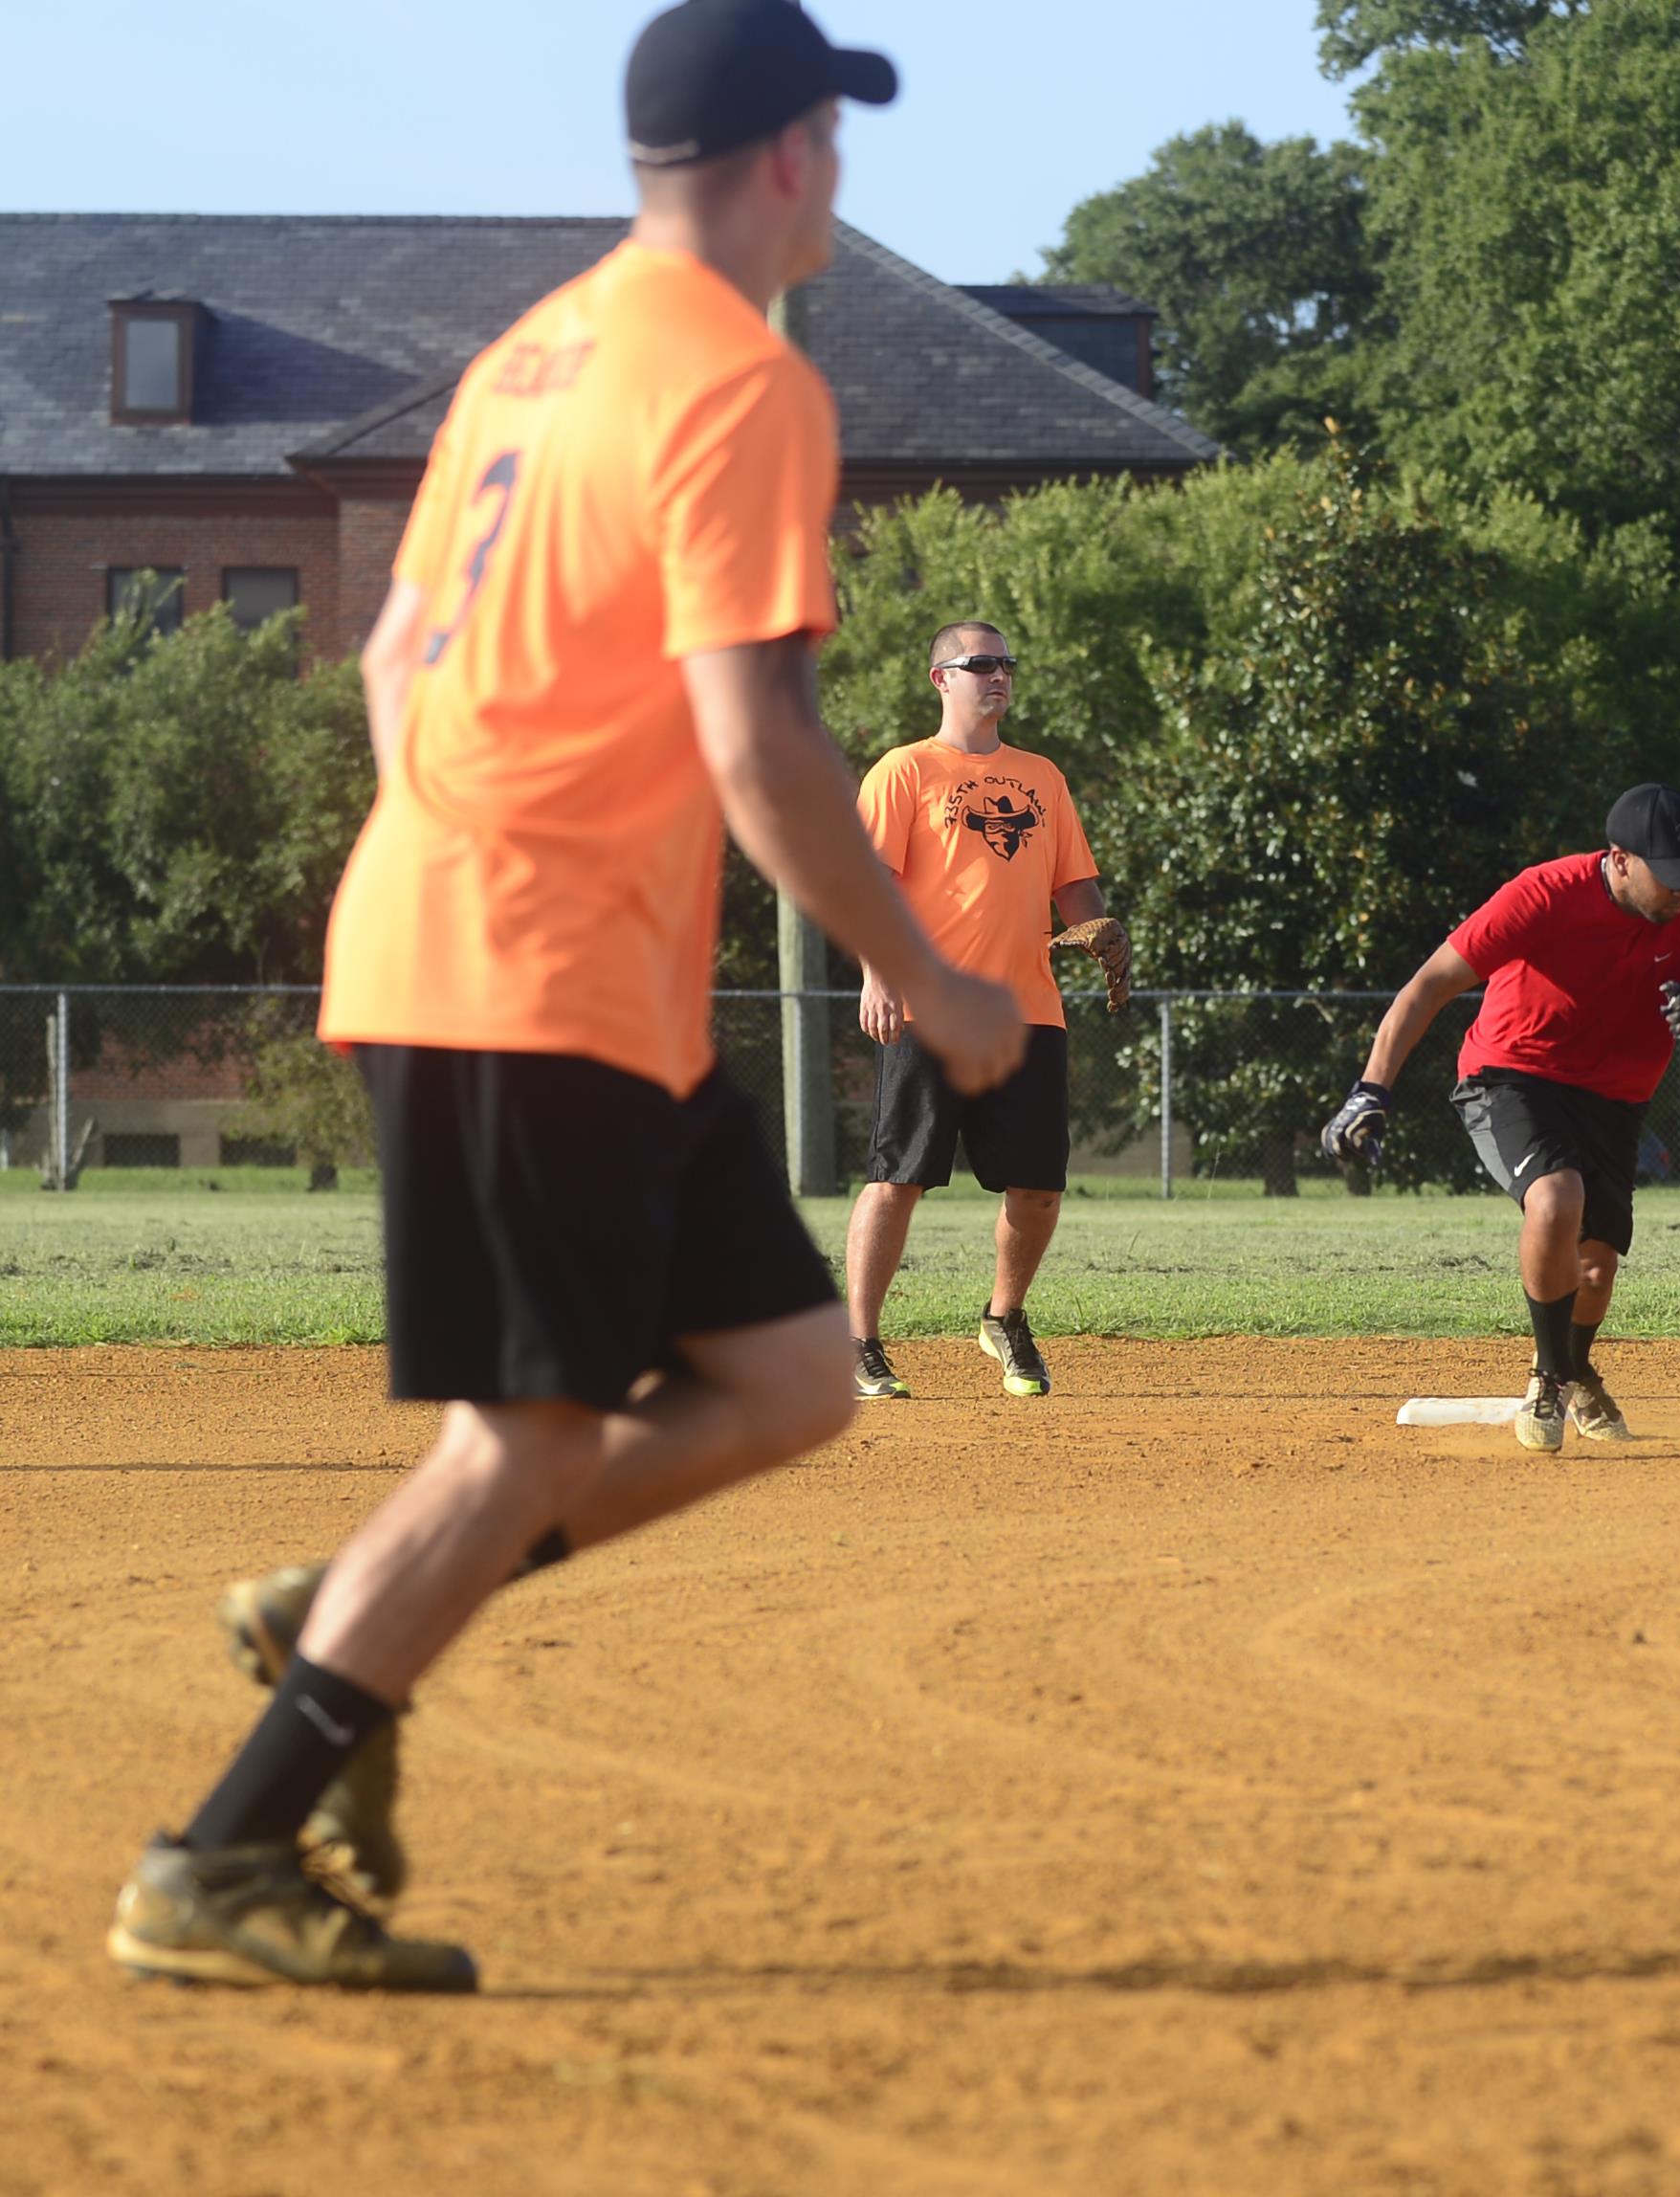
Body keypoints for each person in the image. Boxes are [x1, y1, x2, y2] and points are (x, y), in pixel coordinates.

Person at [106, 0, 1025, 1994]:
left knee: (784, 1379)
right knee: (519, 1439)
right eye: (833, 144)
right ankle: (222, 1854)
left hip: (532, 951)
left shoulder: (533, 354)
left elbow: (384, 659)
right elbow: (763, 740)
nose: (839, 180)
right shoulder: (741, 380)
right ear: (789, 158)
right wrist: (924, 972)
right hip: (527, 965)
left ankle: (354, 1610)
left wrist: (464, 836)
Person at [1323, 785, 1680, 1454]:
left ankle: (1577, 1369)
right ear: (1618, 859)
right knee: (1557, 1199)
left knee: (1596, 1270)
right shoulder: (1544, 894)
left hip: (1615, 1096)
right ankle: (1547, 1381)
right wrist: (1371, 1090)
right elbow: (1431, 983)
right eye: (1668, 878)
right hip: (1514, 1074)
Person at [843, 620, 1123, 1401]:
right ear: (941, 679)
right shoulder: (904, 772)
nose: (998, 675)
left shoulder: (1042, 776)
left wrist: (1099, 924)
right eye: (980, 664)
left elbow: (1074, 884)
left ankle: (1004, 1319)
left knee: (1037, 1185)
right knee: (899, 1177)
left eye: (1005, 664)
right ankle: (860, 1338)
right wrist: (878, 974)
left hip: (1028, 1009)